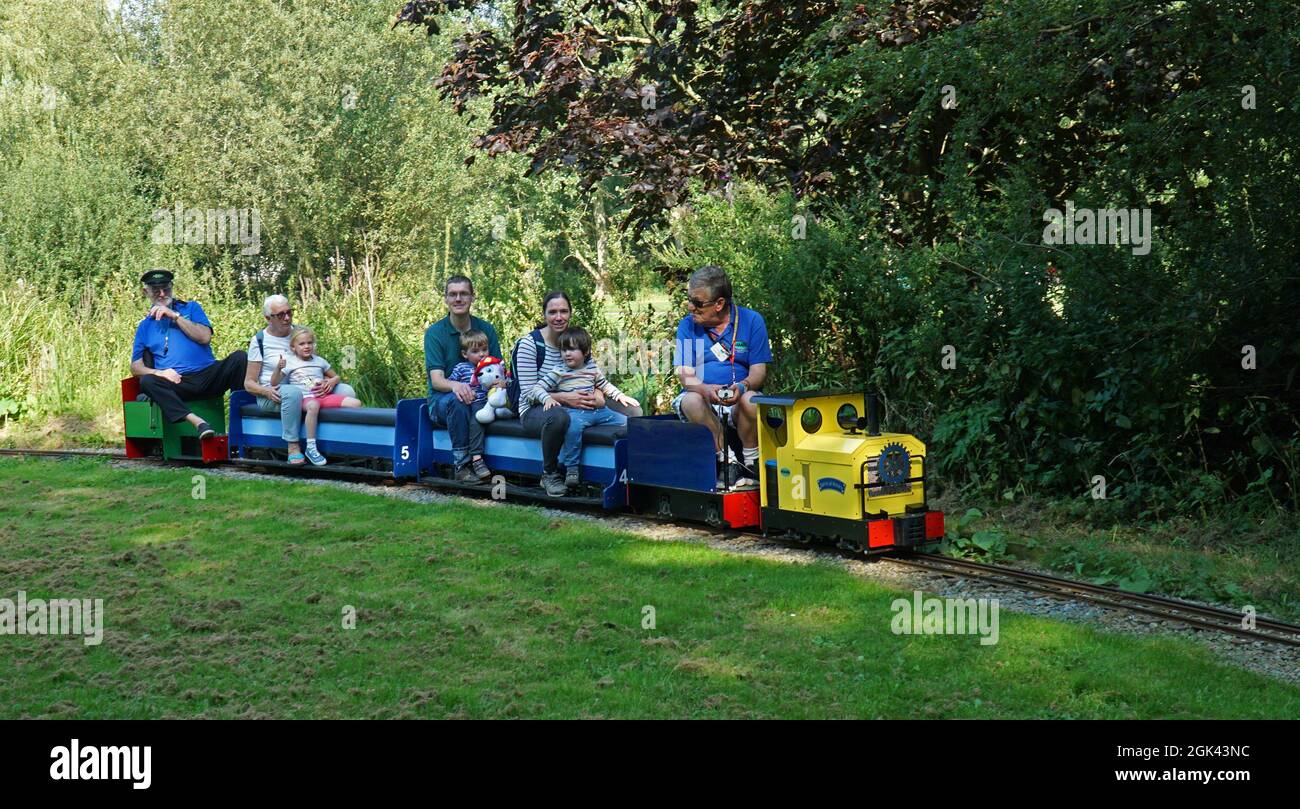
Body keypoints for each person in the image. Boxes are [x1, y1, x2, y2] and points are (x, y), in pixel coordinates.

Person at [513, 291, 643, 497]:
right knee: (560, 416)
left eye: (563, 311)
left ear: (570, 313)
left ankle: (633, 466)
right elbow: (528, 392)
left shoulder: (574, 340)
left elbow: (593, 377)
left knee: (634, 410)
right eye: (552, 312)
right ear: (544, 314)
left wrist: (600, 396)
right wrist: (564, 398)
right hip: (539, 408)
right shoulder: (530, 344)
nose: (558, 317)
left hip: (582, 404)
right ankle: (550, 473)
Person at [672, 264, 771, 489]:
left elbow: (759, 372)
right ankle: (726, 460)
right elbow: (685, 375)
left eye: (697, 303)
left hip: (739, 397)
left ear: (719, 304)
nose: (690, 307)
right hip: (702, 396)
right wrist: (706, 390)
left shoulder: (752, 321)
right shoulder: (687, 326)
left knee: (751, 400)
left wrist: (743, 387)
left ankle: (751, 461)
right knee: (691, 399)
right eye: (689, 300)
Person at [130, 268, 247, 438]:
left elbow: (204, 337)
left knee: (240, 357)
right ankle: (198, 422)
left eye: (166, 288)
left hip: (208, 375)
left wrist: (174, 316)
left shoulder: (191, 308)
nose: (162, 294)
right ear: (146, 292)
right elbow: (136, 367)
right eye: (156, 290)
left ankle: (241, 426)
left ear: (172, 287)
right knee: (148, 381)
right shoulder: (144, 326)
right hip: (179, 382)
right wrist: (160, 372)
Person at [242, 294, 358, 465]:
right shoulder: (260, 341)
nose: (287, 317)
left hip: (307, 389)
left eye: (289, 312)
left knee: (346, 390)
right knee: (293, 392)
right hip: (274, 394)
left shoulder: (300, 333)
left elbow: (314, 366)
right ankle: (293, 446)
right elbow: (249, 383)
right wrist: (265, 391)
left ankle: (338, 438)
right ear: (268, 318)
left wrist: (328, 381)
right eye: (281, 314)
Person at [535, 327, 638, 492]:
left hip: (599, 412)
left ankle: (636, 459)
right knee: (573, 429)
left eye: (572, 349)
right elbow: (538, 388)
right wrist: (547, 398)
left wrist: (621, 396)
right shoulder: (559, 371)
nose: (567, 354)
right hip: (575, 413)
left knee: (629, 423)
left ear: (585, 351)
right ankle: (572, 469)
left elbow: (604, 385)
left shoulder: (592, 368)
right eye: (564, 350)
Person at [424, 275, 501, 483]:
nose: (458, 299)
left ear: (472, 297)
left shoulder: (486, 330)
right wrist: (457, 385)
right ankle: (462, 464)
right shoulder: (435, 333)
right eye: (453, 294)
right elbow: (437, 381)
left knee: (494, 404)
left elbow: (497, 370)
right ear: (446, 299)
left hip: (481, 398)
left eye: (463, 294)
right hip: (443, 401)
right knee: (458, 399)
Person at [269, 327, 363, 466]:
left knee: (356, 403)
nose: (306, 346)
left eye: (309, 343)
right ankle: (311, 447)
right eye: (301, 344)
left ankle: (352, 439)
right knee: (313, 406)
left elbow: (336, 376)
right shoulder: (290, 362)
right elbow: (274, 382)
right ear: (293, 347)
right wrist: (278, 368)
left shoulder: (320, 361)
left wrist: (331, 382)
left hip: (323, 397)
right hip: (305, 399)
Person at [446, 329, 496, 471]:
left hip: (490, 402)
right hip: (473, 403)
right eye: (475, 351)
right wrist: (462, 389)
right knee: (478, 419)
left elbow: (503, 379)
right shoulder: (461, 368)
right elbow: (451, 384)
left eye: (484, 350)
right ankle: (476, 457)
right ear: (464, 354)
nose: (481, 354)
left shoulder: (492, 367)